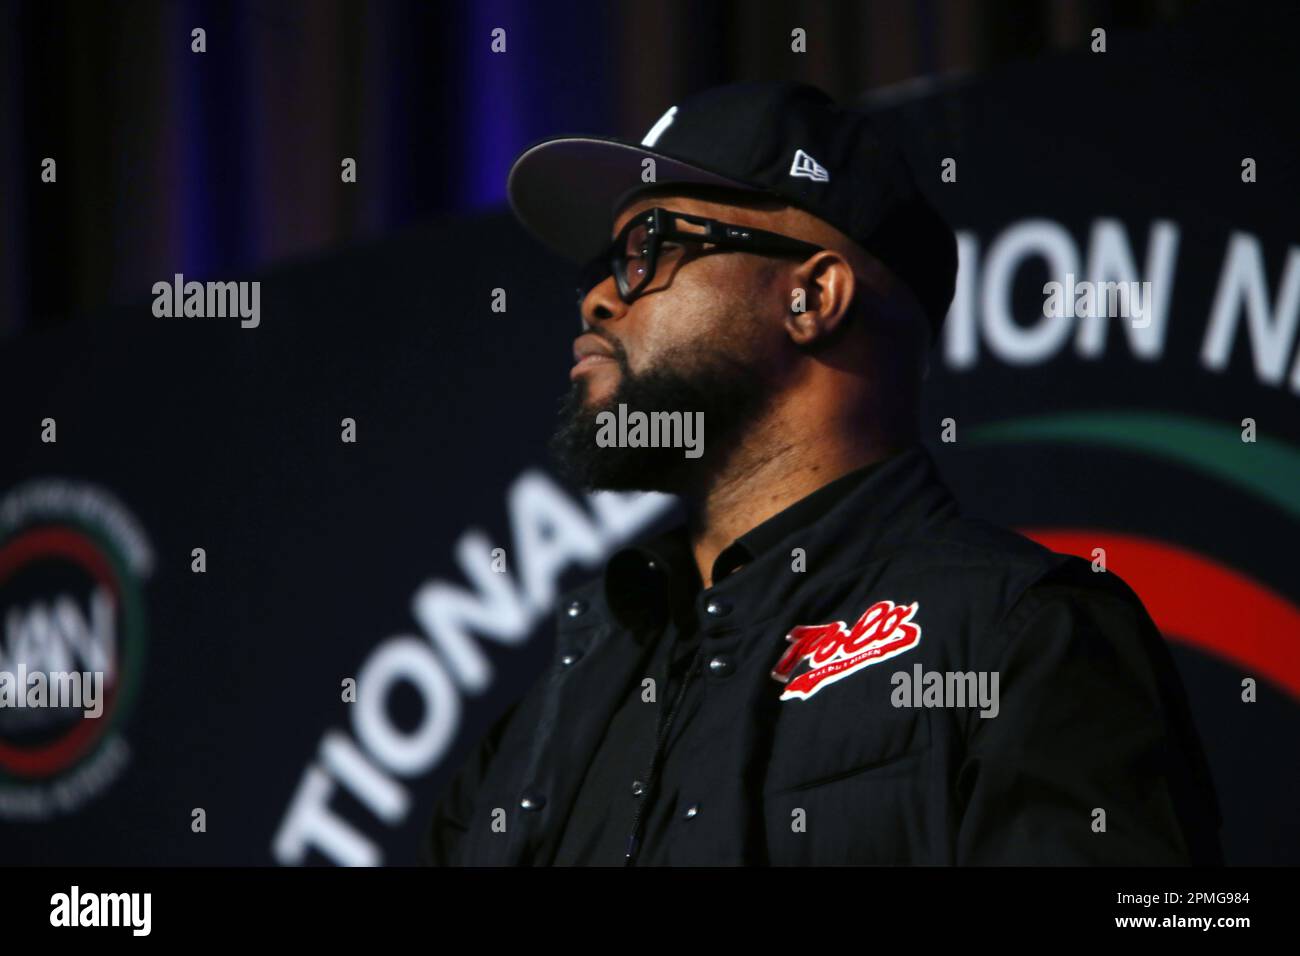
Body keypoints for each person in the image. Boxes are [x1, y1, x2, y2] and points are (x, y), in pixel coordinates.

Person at [421, 80, 1222, 866]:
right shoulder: (561, 698)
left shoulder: (1024, 641)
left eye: (647, 248)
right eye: (601, 264)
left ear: (812, 296)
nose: (597, 299)